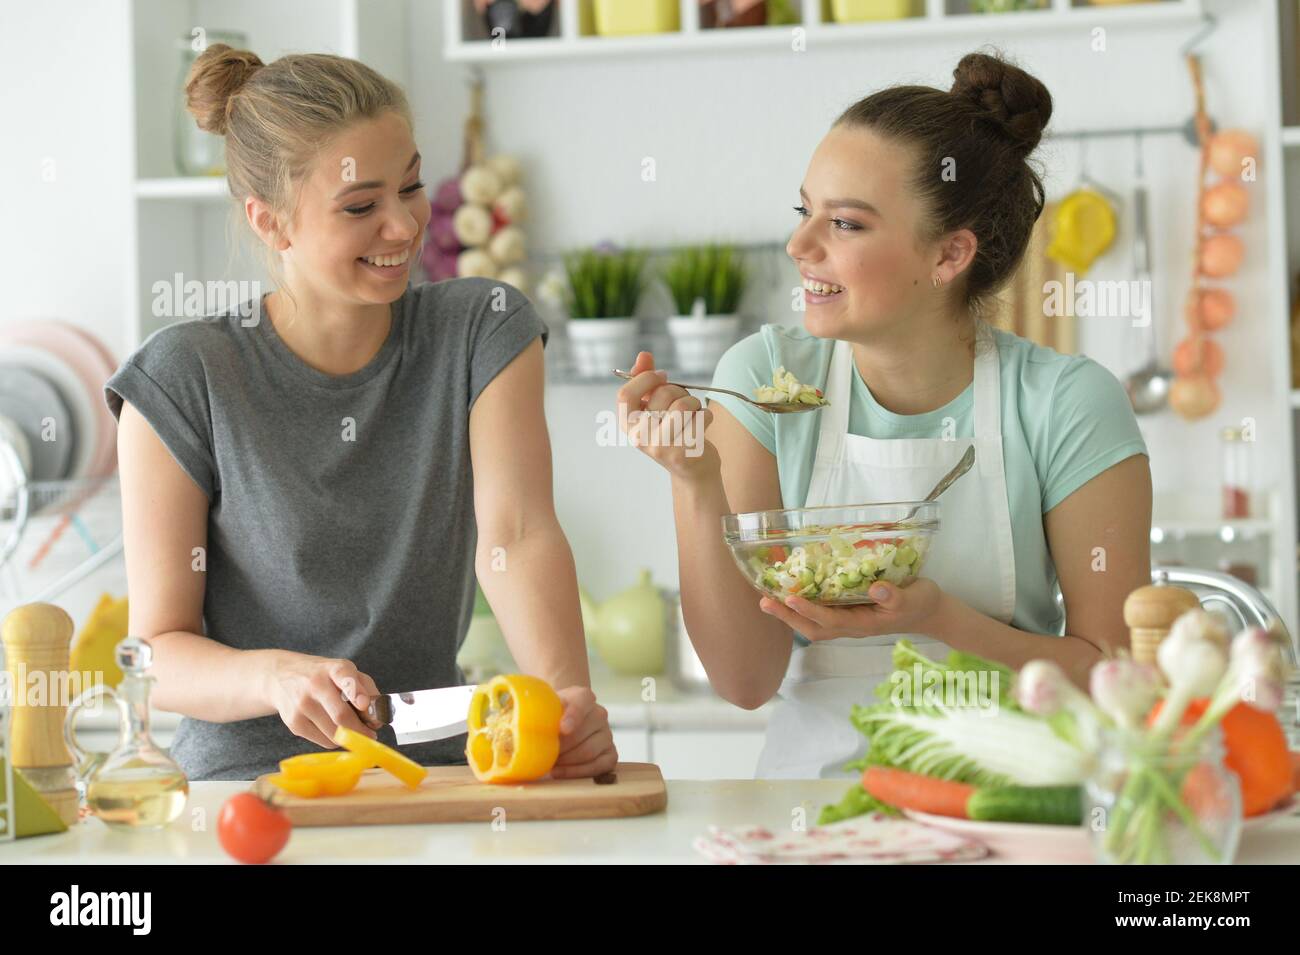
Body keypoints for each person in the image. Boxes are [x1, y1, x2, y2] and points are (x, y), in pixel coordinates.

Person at [617, 52, 1152, 779]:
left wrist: (934, 617)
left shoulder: (1066, 402)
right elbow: (746, 682)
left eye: (845, 224)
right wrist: (695, 479)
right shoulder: (764, 380)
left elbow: (1118, 682)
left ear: (949, 253)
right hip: (815, 804)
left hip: (1016, 796)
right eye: (805, 212)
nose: (799, 246)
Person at [105, 44, 615, 781]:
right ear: (270, 221)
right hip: (245, 792)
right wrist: (274, 677)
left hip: (441, 776)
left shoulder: (480, 329)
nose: (405, 227)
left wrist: (566, 699)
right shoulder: (184, 376)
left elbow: (519, 534)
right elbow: (155, 653)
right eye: (360, 206)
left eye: (410, 187)